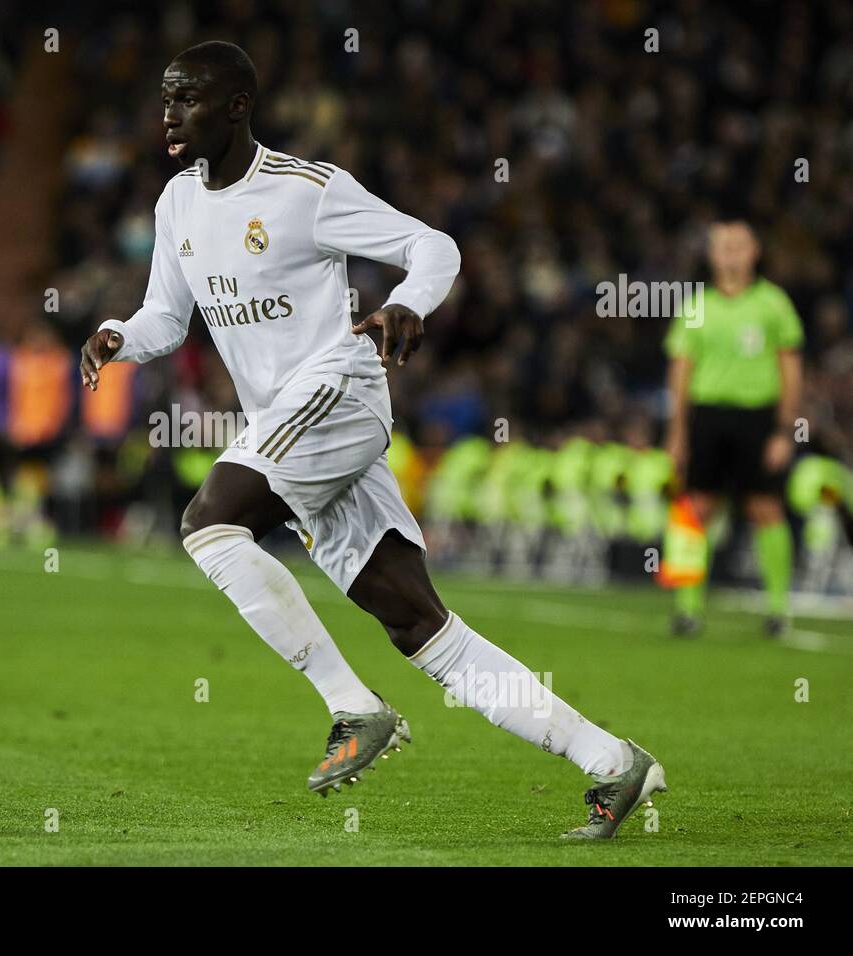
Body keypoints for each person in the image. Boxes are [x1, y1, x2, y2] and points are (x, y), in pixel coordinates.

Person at [80, 41, 664, 838]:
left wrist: (408, 303)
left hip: (340, 391)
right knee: (422, 628)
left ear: (238, 107)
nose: (168, 114)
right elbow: (166, 316)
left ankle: (353, 707)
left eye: (187, 98)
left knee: (208, 523)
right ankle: (612, 761)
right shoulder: (176, 202)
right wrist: (118, 335)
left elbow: (434, 246)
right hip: (287, 424)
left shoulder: (306, 191)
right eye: (165, 97)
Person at [664, 220, 804, 637]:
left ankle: (778, 610)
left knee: (765, 508)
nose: (730, 253)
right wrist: (677, 433)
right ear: (711, 254)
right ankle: (687, 610)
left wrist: (784, 430)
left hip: (757, 417)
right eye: (722, 245)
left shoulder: (773, 304)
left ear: (754, 251)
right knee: (694, 509)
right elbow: (681, 371)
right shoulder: (696, 305)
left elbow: (791, 369)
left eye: (738, 245)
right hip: (707, 416)